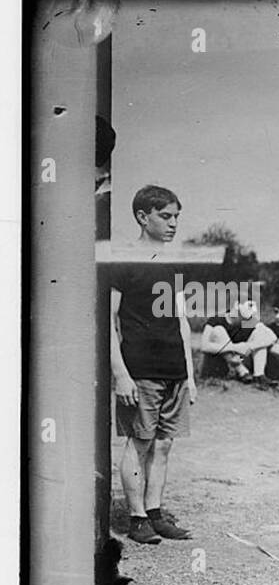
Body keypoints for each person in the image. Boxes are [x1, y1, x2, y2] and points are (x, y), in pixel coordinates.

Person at [109, 184, 195, 544]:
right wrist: (121, 375)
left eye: (176, 216)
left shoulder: (172, 263)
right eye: (165, 216)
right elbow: (108, 321)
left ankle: (155, 512)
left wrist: (190, 376)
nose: (173, 223)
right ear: (143, 217)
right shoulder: (122, 260)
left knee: (164, 445)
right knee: (139, 443)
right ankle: (137, 518)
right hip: (140, 370)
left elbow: (182, 320)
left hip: (173, 369)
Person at [199, 295, 277, 385]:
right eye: (250, 306)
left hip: (240, 359)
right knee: (218, 330)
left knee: (260, 333)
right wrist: (234, 348)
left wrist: (250, 346)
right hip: (218, 364)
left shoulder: (249, 321)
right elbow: (204, 346)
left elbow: (272, 337)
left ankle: (259, 375)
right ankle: (241, 371)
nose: (254, 310)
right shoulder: (216, 320)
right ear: (237, 305)